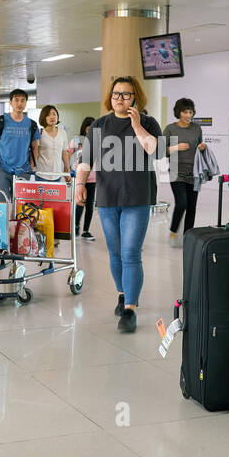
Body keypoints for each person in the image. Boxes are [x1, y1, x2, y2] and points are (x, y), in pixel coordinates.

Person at [74, 76, 161, 333]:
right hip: (108, 197)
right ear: (110, 97)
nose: (120, 99)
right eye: (116, 94)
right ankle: (122, 293)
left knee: (131, 253)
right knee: (115, 253)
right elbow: (85, 160)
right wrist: (80, 184)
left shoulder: (148, 122)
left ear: (136, 97)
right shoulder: (99, 125)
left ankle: (130, 310)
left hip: (137, 197)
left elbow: (155, 150)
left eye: (126, 94)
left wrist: (136, 125)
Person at [162, 97, 207, 246]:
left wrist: (203, 148)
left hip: (194, 172)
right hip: (176, 171)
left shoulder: (196, 128)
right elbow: (160, 150)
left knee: (192, 207)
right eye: (185, 112)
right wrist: (176, 147)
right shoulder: (170, 128)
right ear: (178, 113)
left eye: (190, 112)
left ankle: (188, 237)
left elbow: (201, 147)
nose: (188, 115)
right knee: (181, 203)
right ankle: (174, 231)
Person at [0, 89, 40, 199]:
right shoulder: (0, 121)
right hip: (1, 168)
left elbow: (35, 148)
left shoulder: (32, 125)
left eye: (22, 100)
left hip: (23, 170)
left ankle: (15, 217)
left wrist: (31, 166)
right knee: (0, 202)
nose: (19, 103)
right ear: (10, 102)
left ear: (26, 103)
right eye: (16, 100)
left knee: (21, 204)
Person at [69, 117, 96, 239]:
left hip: (93, 178)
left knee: (90, 205)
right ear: (84, 128)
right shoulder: (76, 141)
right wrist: (71, 169)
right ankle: (75, 226)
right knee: (80, 203)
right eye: (88, 128)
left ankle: (86, 230)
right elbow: (69, 155)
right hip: (80, 178)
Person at [34, 105, 71, 177]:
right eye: (48, 115)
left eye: (54, 114)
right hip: (42, 174)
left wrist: (67, 169)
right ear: (44, 117)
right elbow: (35, 152)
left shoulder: (62, 132)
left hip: (57, 174)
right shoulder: (39, 132)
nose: (52, 117)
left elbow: (64, 152)